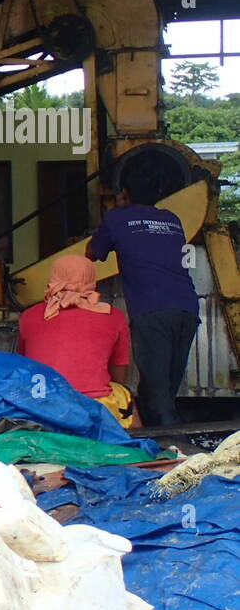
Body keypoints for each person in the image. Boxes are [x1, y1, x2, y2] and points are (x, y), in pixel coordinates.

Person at [85, 169, 199, 426]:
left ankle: (174, 450)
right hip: (187, 310)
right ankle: (159, 438)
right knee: (164, 390)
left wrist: (114, 214)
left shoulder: (117, 218)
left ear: (123, 194)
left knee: (158, 396)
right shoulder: (172, 219)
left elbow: (91, 253)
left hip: (152, 312)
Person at [16, 254, 135, 428]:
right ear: (91, 279)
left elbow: (25, 365)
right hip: (94, 404)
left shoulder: (28, 316)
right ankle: (138, 446)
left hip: (41, 403)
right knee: (125, 396)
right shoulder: (113, 316)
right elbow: (119, 373)